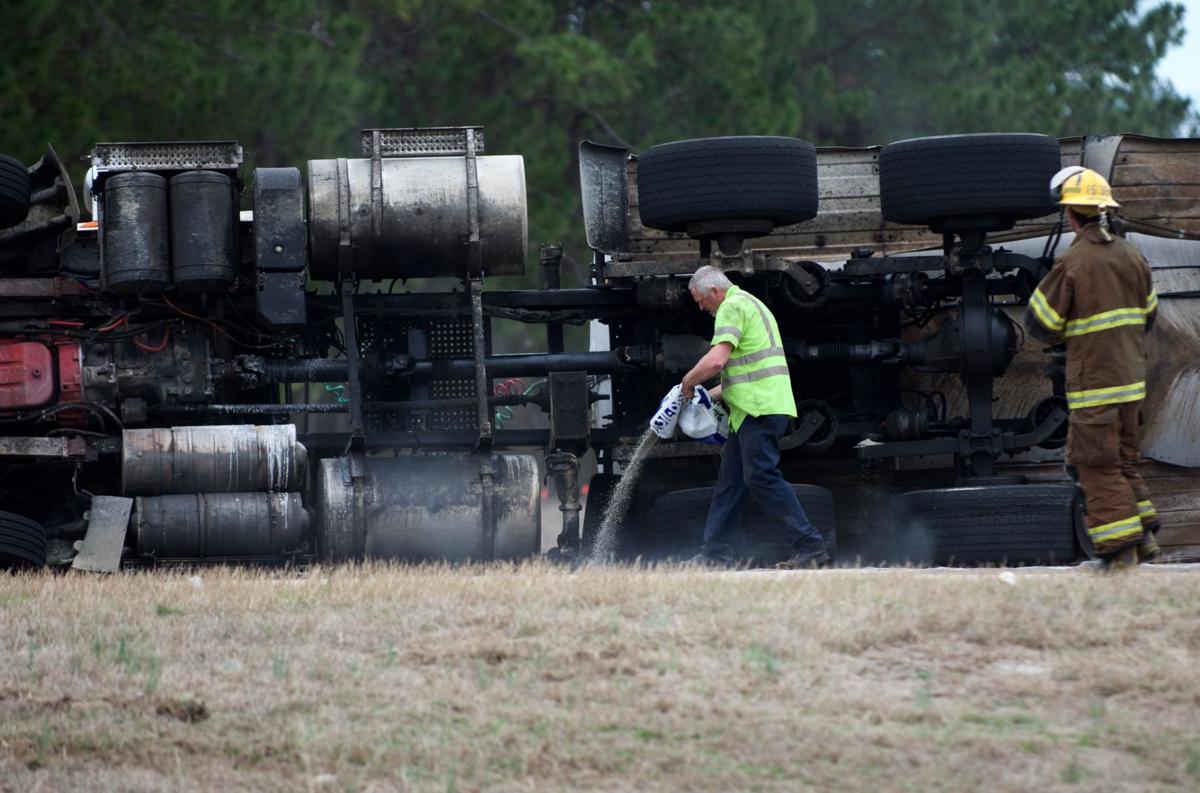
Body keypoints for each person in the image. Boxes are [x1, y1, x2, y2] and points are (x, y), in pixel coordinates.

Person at [1025, 166, 1160, 569]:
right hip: (1132, 384)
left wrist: (1069, 332)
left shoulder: (1073, 262)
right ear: (1103, 211)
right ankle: (1146, 539)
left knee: (1094, 465)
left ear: (1070, 214)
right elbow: (1150, 316)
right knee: (1123, 461)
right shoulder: (1133, 256)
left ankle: (1120, 554)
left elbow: (1040, 324)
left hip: (1096, 386)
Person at [680, 265, 829, 568]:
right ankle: (714, 555)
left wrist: (688, 382)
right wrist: (703, 397)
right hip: (755, 408)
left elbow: (717, 361)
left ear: (714, 291)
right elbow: (742, 373)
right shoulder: (751, 303)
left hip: (758, 408)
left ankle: (810, 545)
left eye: (701, 300)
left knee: (761, 476)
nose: (701, 308)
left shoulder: (731, 307)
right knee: (730, 485)